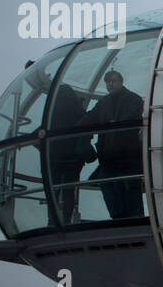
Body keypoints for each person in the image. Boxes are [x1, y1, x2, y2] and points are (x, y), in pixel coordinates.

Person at [84, 70, 145, 219]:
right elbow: (89, 119)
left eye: (113, 81)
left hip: (126, 157)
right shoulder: (104, 102)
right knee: (112, 190)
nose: (110, 84)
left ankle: (132, 222)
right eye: (108, 82)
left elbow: (133, 118)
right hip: (112, 158)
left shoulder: (133, 99)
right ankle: (121, 219)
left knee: (129, 192)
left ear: (121, 82)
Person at [49, 84, 93, 224]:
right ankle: (67, 219)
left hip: (55, 158)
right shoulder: (79, 112)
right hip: (74, 160)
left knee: (53, 189)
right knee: (69, 190)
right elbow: (89, 132)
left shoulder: (52, 113)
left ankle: (52, 220)